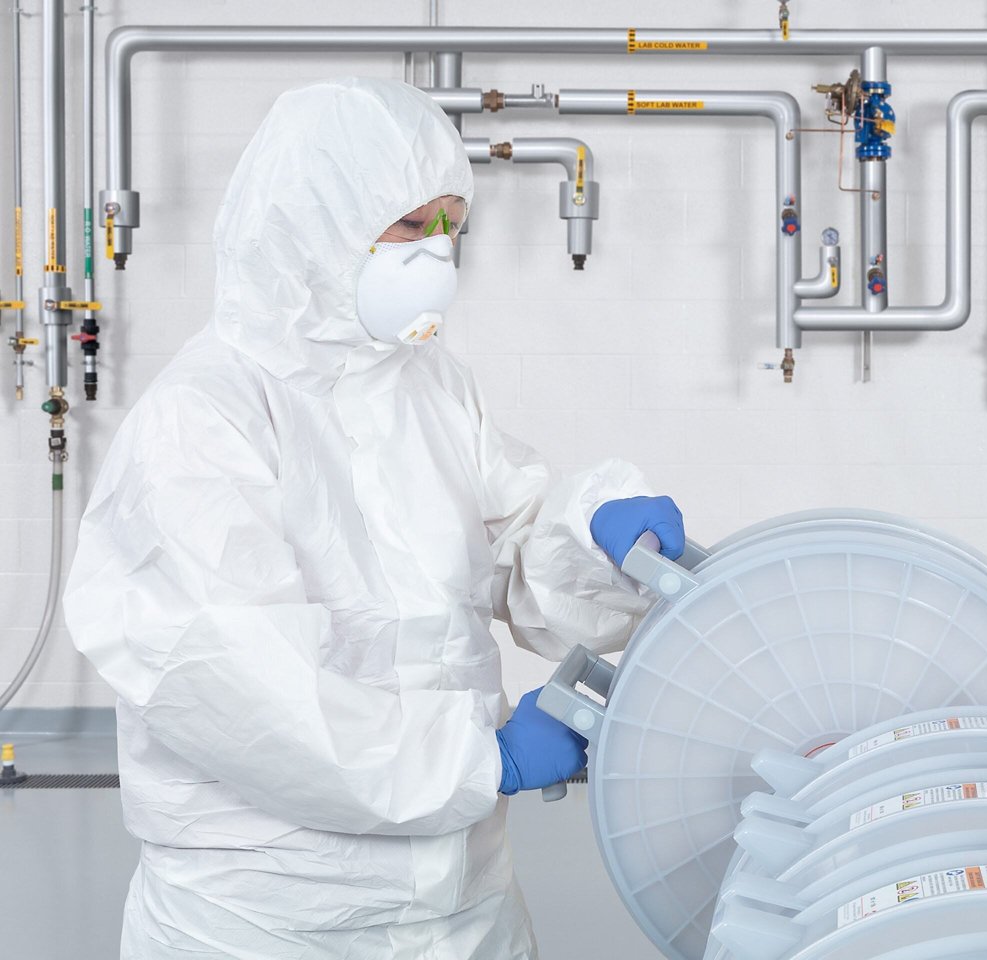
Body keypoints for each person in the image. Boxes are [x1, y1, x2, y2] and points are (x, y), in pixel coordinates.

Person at [63, 77, 686, 959]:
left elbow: (512, 541)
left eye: (452, 229)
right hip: (270, 919)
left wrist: (599, 538)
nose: (438, 256)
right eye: (410, 227)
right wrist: (481, 762)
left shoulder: (427, 383)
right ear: (313, 223)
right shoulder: (204, 418)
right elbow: (249, 694)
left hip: (459, 906)